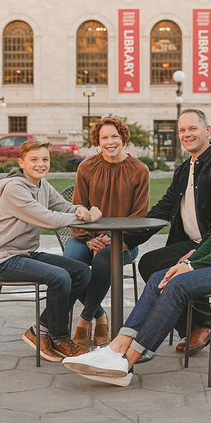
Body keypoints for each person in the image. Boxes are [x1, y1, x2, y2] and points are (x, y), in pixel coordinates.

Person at [66, 130, 211, 385]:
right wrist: (183, 263)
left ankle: (127, 363)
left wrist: (192, 265)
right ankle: (116, 348)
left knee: (177, 283)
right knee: (161, 276)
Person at [0, 137, 100, 361]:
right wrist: (85, 218)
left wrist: (83, 209)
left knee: (81, 272)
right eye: (33, 159)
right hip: (2, 260)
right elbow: (49, 219)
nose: (40, 164)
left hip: (25, 254)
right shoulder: (15, 188)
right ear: (21, 162)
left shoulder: (42, 184)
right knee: (60, 277)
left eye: (45, 159)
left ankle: (40, 331)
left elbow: (64, 206)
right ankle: (61, 338)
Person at [137, 109, 211, 354]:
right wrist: (128, 239)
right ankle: (196, 327)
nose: (187, 134)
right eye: (182, 131)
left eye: (192, 129)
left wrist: (201, 249)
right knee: (150, 263)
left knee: (158, 268)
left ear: (207, 130)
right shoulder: (185, 168)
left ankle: (201, 325)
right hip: (189, 242)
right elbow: (165, 207)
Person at [65, 117, 152, 348]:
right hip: (86, 237)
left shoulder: (139, 170)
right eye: (104, 137)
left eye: (115, 136)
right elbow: (78, 208)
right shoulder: (86, 167)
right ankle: (100, 316)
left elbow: (139, 214)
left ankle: (84, 319)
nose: (110, 142)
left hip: (123, 241)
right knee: (70, 262)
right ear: (97, 141)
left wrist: (111, 238)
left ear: (123, 138)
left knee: (105, 257)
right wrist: (91, 238)